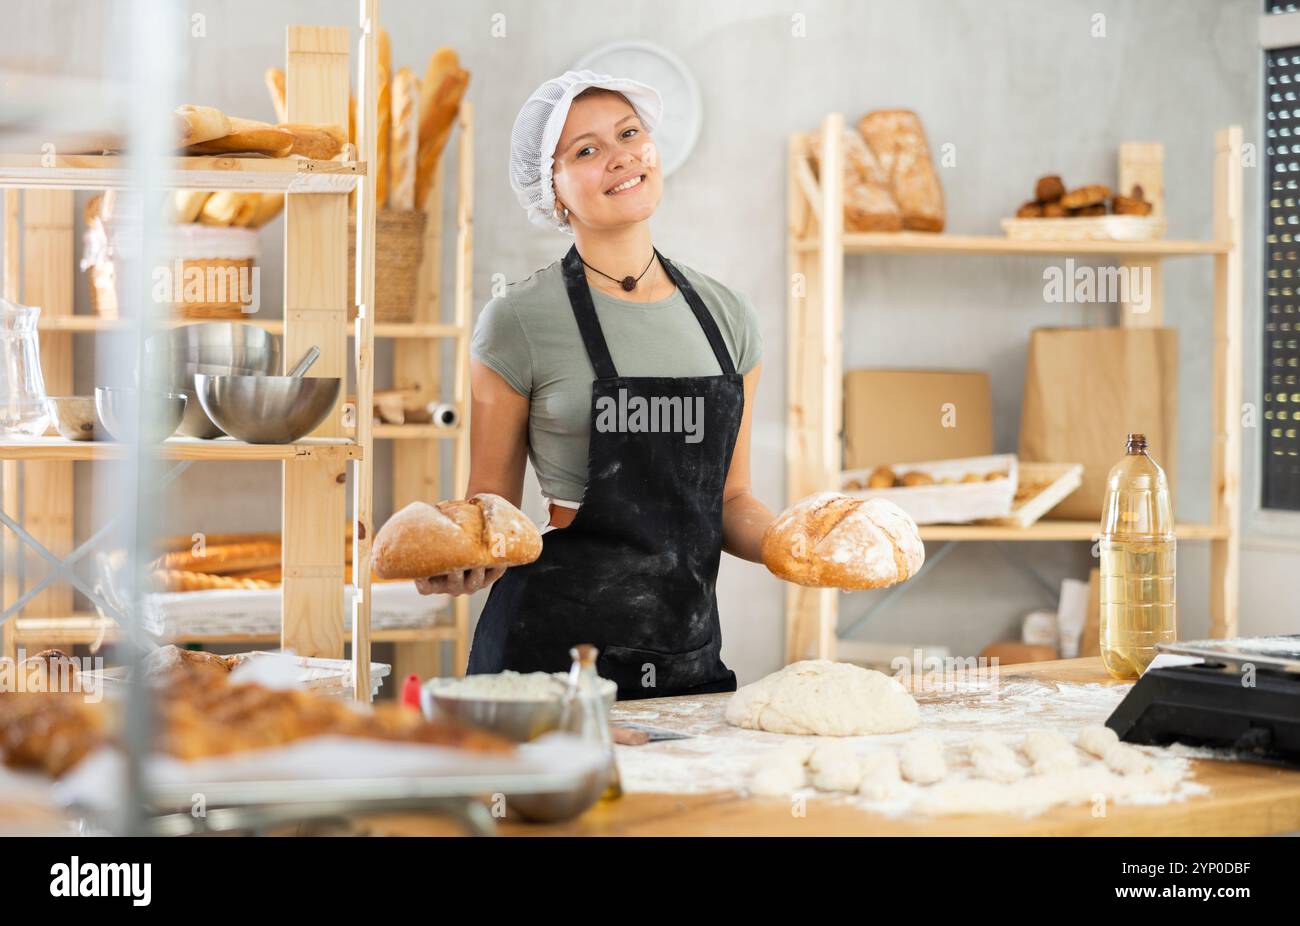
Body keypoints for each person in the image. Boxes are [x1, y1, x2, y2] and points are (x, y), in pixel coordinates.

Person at [417, 70, 775, 699]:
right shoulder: (519, 321)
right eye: (586, 150)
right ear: (552, 191)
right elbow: (490, 511)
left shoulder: (727, 317)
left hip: (686, 652)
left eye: (629, 133)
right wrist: (457, 559)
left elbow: (732, 503)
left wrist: (798, 545)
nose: (621, 157)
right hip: (550, 658)